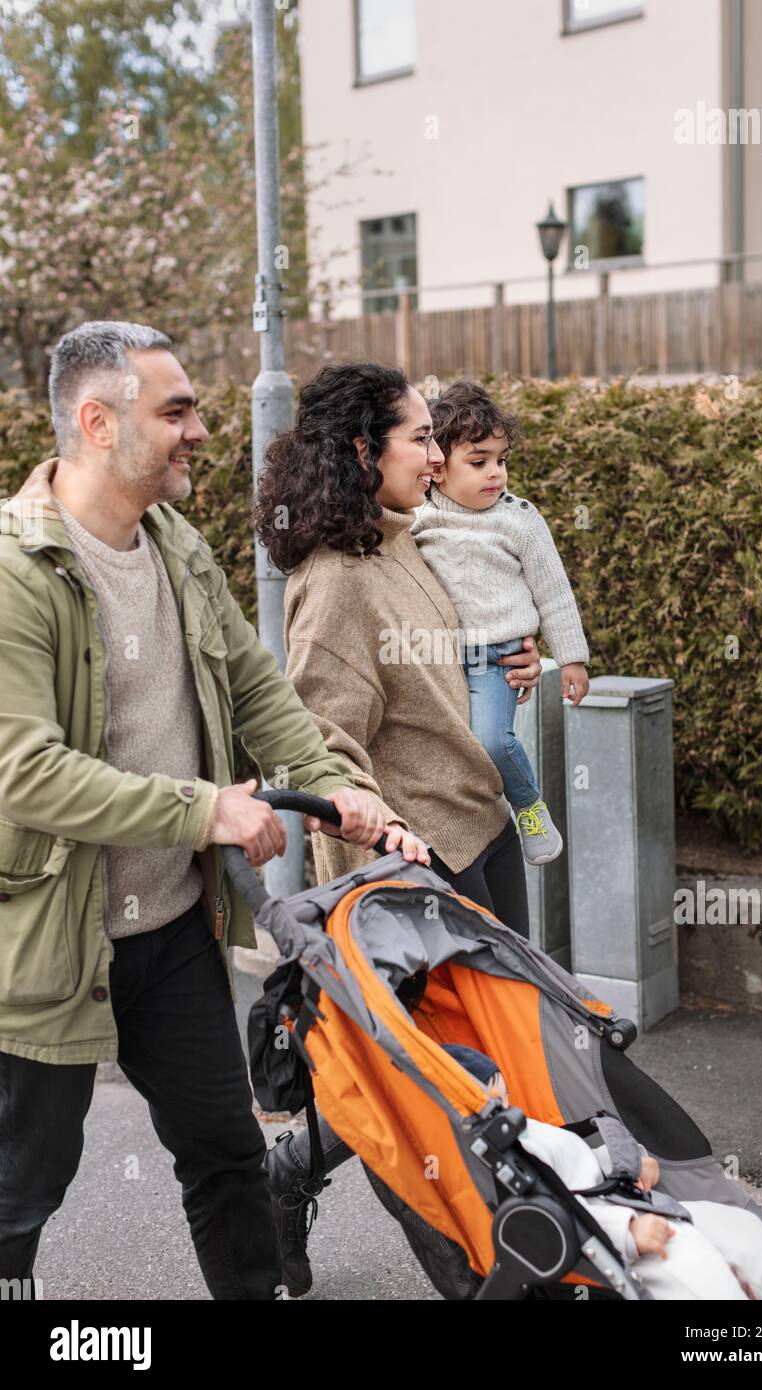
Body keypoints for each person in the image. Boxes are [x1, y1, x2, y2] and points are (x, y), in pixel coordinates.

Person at [0, 321, 393, 1301]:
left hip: (171, 931)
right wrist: (202, 810)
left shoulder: (173, 542)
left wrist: (337, 790)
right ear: (97, 422)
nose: (200, 430)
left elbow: (255, 686)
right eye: (175, 411)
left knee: (225, 1160)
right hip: (51, 940)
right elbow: (27, 772)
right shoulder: (16, 573)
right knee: (19, 1197)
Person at [255, 360, 544, 1295]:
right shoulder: (336, 581)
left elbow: (447, 659)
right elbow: (318, 745)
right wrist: (375, 878)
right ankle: (491, 1271)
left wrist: (515, 654)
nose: (436, 452)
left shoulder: (410, 539)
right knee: (437, 1090)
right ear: (360, 450)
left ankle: (293, 1166)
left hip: (481, 831)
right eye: (419, 437)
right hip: (416, 869)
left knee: (494, 1063)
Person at [442, 1044, 762, 1301]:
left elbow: (579, 1162)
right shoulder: (497, 1158)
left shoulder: (525, 1130)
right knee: (701, 1276)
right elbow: (552, 1209)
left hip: (631, 1202)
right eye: (497, 1098)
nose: (507, 1105)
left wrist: (629, 1160)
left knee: (741, 1230)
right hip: (608, 1233)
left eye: (506, 1095)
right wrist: (626, 1232)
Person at [412, 380, 591, 865]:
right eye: (479, 462)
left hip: (499, 659)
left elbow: (554, 592)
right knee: (457, 750)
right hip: (442, 658)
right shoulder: (418, 520)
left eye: (502, 460)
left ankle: (529, 805)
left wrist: (571, 659)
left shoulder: (521, 520)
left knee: (492, 741)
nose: (496, 473)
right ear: (438, 468)